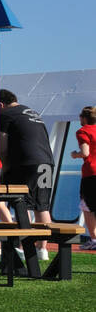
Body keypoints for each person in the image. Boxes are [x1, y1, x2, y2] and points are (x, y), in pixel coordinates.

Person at [0, 90, 54, 255]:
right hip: (46, 161)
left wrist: (6, 166)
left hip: (25, 163)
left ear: (0, 105)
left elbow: (2, 145)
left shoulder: (6, 115)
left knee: (21, 206)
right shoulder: (33, 113)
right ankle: (42, 249)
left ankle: (24, 248)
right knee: (42, 206)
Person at [70, 106, 96, 250]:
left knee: (87, 207)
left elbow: (85, 153)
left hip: (91, 174)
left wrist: (75, 154)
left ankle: (94, 239)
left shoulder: (83, 131)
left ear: (84, 118)